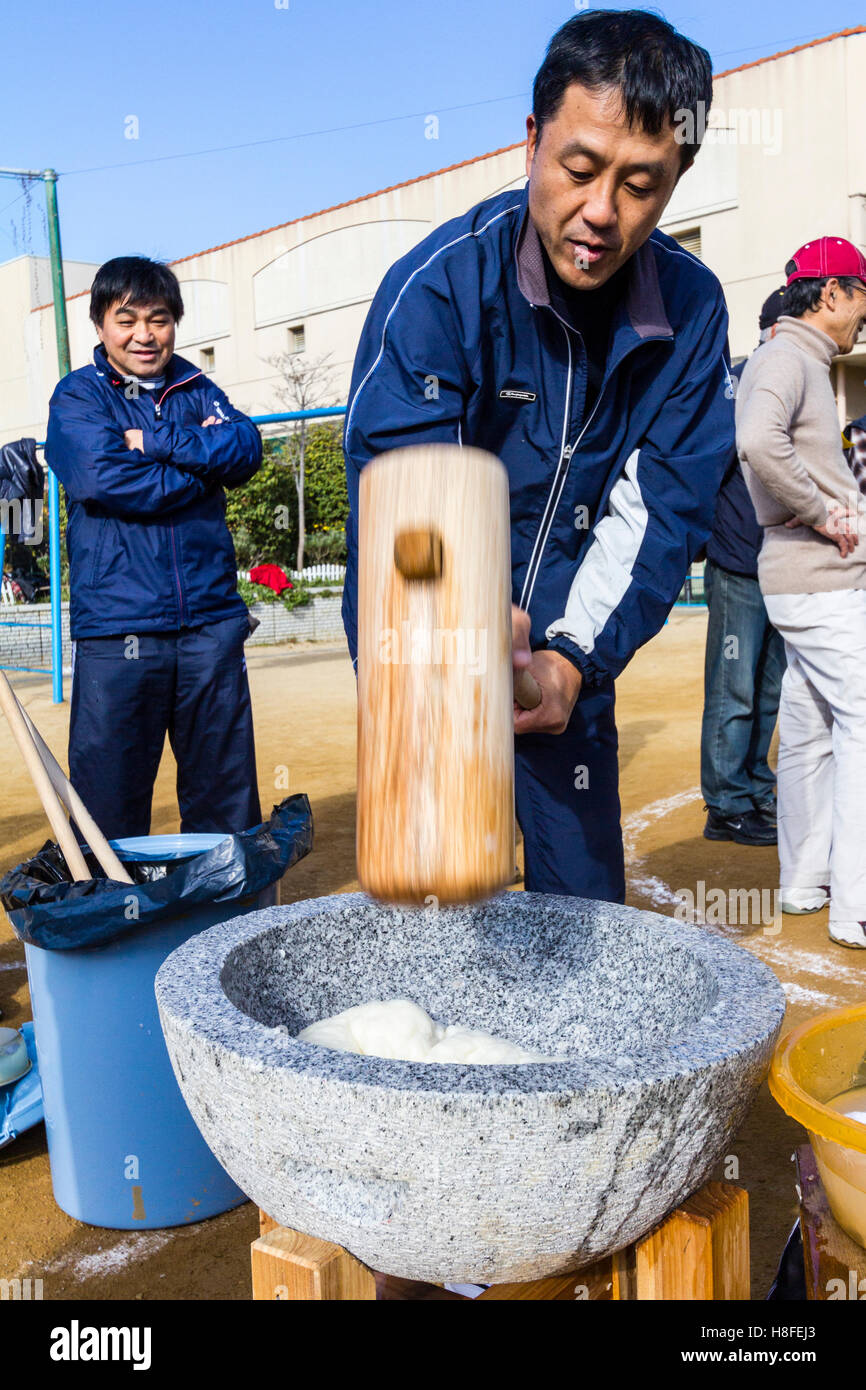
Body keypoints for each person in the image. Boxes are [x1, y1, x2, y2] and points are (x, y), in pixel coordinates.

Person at [342, 10, 734, 902]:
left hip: (567, 652)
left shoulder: (693, 310)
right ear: (531, 141)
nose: (601, 212)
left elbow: (660, 505)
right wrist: (461, 631)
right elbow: (407, 487)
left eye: (641, 184)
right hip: (427, 651)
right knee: (436, 894)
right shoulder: (438, 285)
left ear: (680, 174)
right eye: (580, 168)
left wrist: (565, 661)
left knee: (583, 910)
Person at [46, 257, 264, 839]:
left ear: (175, 324)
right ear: (100, 325)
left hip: (211, 628)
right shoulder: (78, 398)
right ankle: (116, 923)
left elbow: (244, 447)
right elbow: (102, 480)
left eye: (159, 319)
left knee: (224, 798)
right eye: (127, 319)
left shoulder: (196, 386)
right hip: (119, 630)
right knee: (108, 802)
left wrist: (160, 440)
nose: (145, 334)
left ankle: (228, 923)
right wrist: (198, 475)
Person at [737, 236, 866, 948]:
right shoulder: (789, 356)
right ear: (832, 294)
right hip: (819, 579)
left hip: (801, 579)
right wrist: (823, 513)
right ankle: (858, 905)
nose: (862, 318)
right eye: (860, 300)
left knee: (813, 730)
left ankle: (804, 880)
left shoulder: (795, 357)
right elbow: (758, 441)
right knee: (862, 724)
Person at [701, 288, 787, 847]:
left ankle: (754, 784)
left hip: (781, 565)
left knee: (769, 689)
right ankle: (726, 804)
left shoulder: (788, 381)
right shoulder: (737, 382)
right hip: (737, 561)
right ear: (776, 329)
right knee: (733, 690)